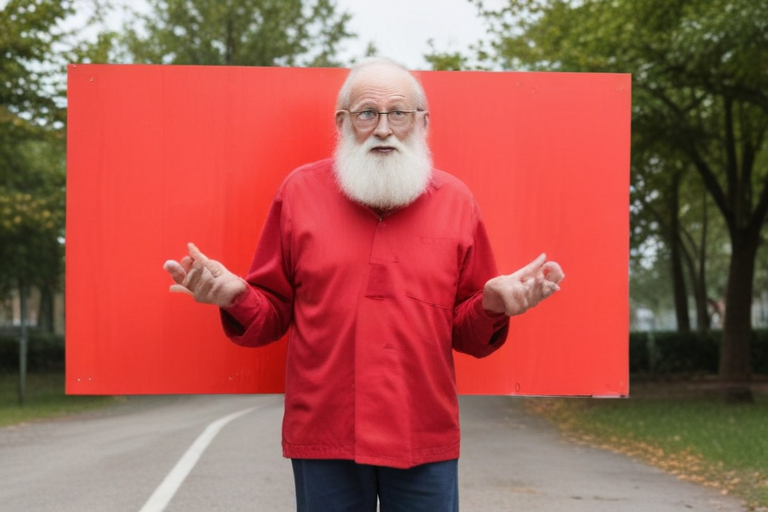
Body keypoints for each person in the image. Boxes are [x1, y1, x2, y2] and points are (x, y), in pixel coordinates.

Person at [163, 57, 564, 512]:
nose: (383, 128)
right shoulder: (299, 193)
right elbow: (271, 315)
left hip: (423, 432)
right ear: (343, 122)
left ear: (422, 122)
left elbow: (465, 334)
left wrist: (493, 304)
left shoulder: (456, 201)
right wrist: (234, 296)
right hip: (325, 431)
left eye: (399, 113)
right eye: (367, 113)